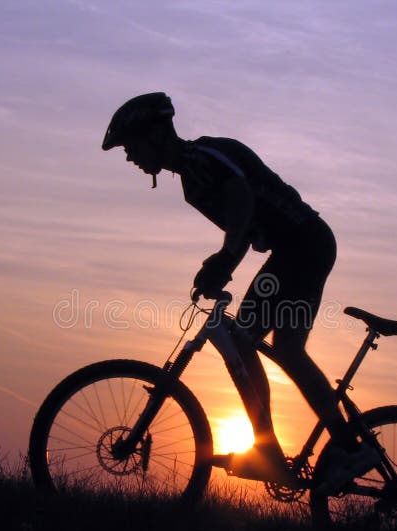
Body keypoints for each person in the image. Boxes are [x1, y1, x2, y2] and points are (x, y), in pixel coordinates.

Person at [101, 92, 379, 490]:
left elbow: (243, 202)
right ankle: (303, 445)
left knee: (265, 344)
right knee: (263, 345)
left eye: (132, 145)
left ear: (157, 135)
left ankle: (328, 448)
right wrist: (221, 266)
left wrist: (224, 260)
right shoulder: (191, 186)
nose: (130, 157)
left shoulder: (204, 158)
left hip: (304, 244)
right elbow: (244, 228)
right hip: (294, 248)